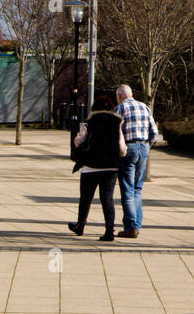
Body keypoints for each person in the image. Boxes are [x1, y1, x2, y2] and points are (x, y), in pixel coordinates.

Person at [68, 94, 126, 241]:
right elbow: (122, 147)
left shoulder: (91, 121)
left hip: (91, 166)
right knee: (107, 199)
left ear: (95, 108)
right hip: (111, 166)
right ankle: (109, 231)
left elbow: (78, 141)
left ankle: (80, 226)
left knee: (86, 198)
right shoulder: (116, 123)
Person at [114, 84, 159, 239]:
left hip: (128, 147)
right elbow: (154, 132)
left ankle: (131, 226)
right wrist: (146, 146)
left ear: (120, 96)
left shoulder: (119, 109)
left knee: (127, 189)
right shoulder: (145, 107)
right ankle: (137, 225)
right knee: (137, 189)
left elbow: (116, 134)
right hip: (144, 146)